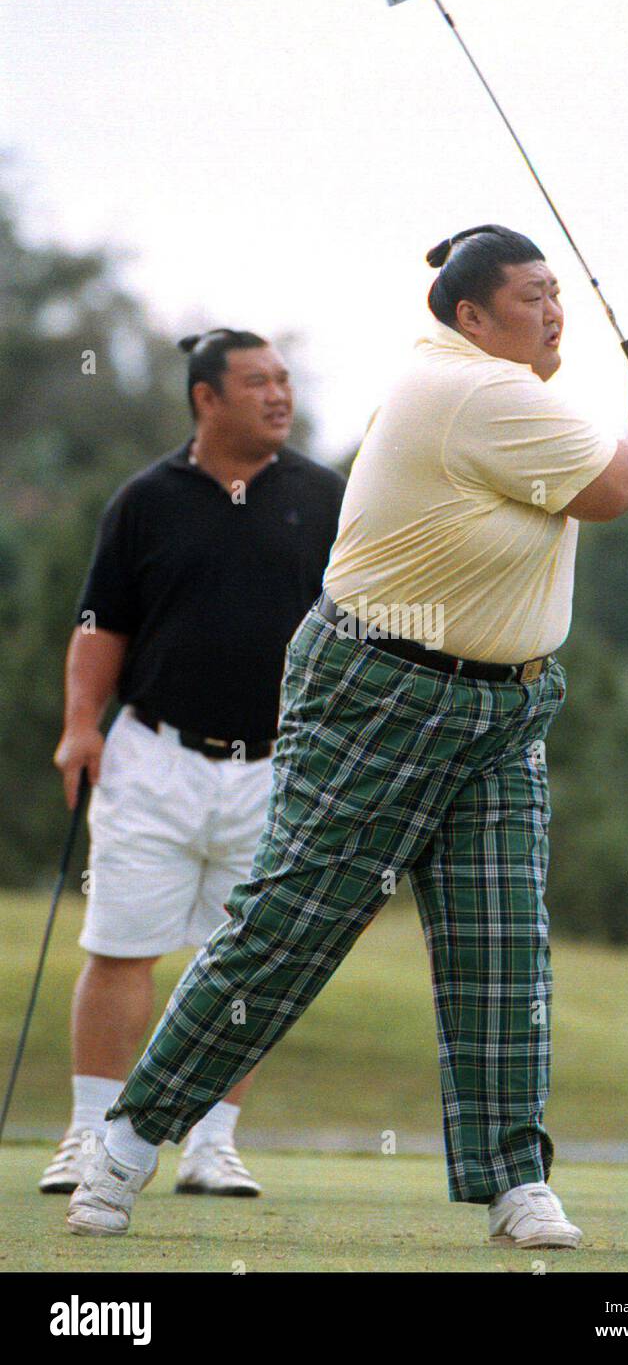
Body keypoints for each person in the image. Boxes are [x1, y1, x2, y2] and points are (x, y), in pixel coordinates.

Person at [66, 227, 628, 1245]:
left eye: (558, 294)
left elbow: (588, 483)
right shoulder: (468, 391)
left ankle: (513, 1182)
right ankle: (130, 1138)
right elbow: (615, 486)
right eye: (533, 295)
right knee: (289, 928)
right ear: (470, 315)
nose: (554, 312)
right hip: (381, 689)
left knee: (500, 947)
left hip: (506, 706)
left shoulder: (506, 401)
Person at [41, 328, 345, 1198]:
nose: (278, 395)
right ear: (206, 398)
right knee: (120, 944)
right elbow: (102, 624)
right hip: (154, 754)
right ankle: (88, 1134)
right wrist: (78, 726)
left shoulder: (325, 496)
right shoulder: (146, 499)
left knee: (243, 960)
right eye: (257, 382)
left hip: (278, 767)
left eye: (284, 380)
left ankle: (212, 1144)